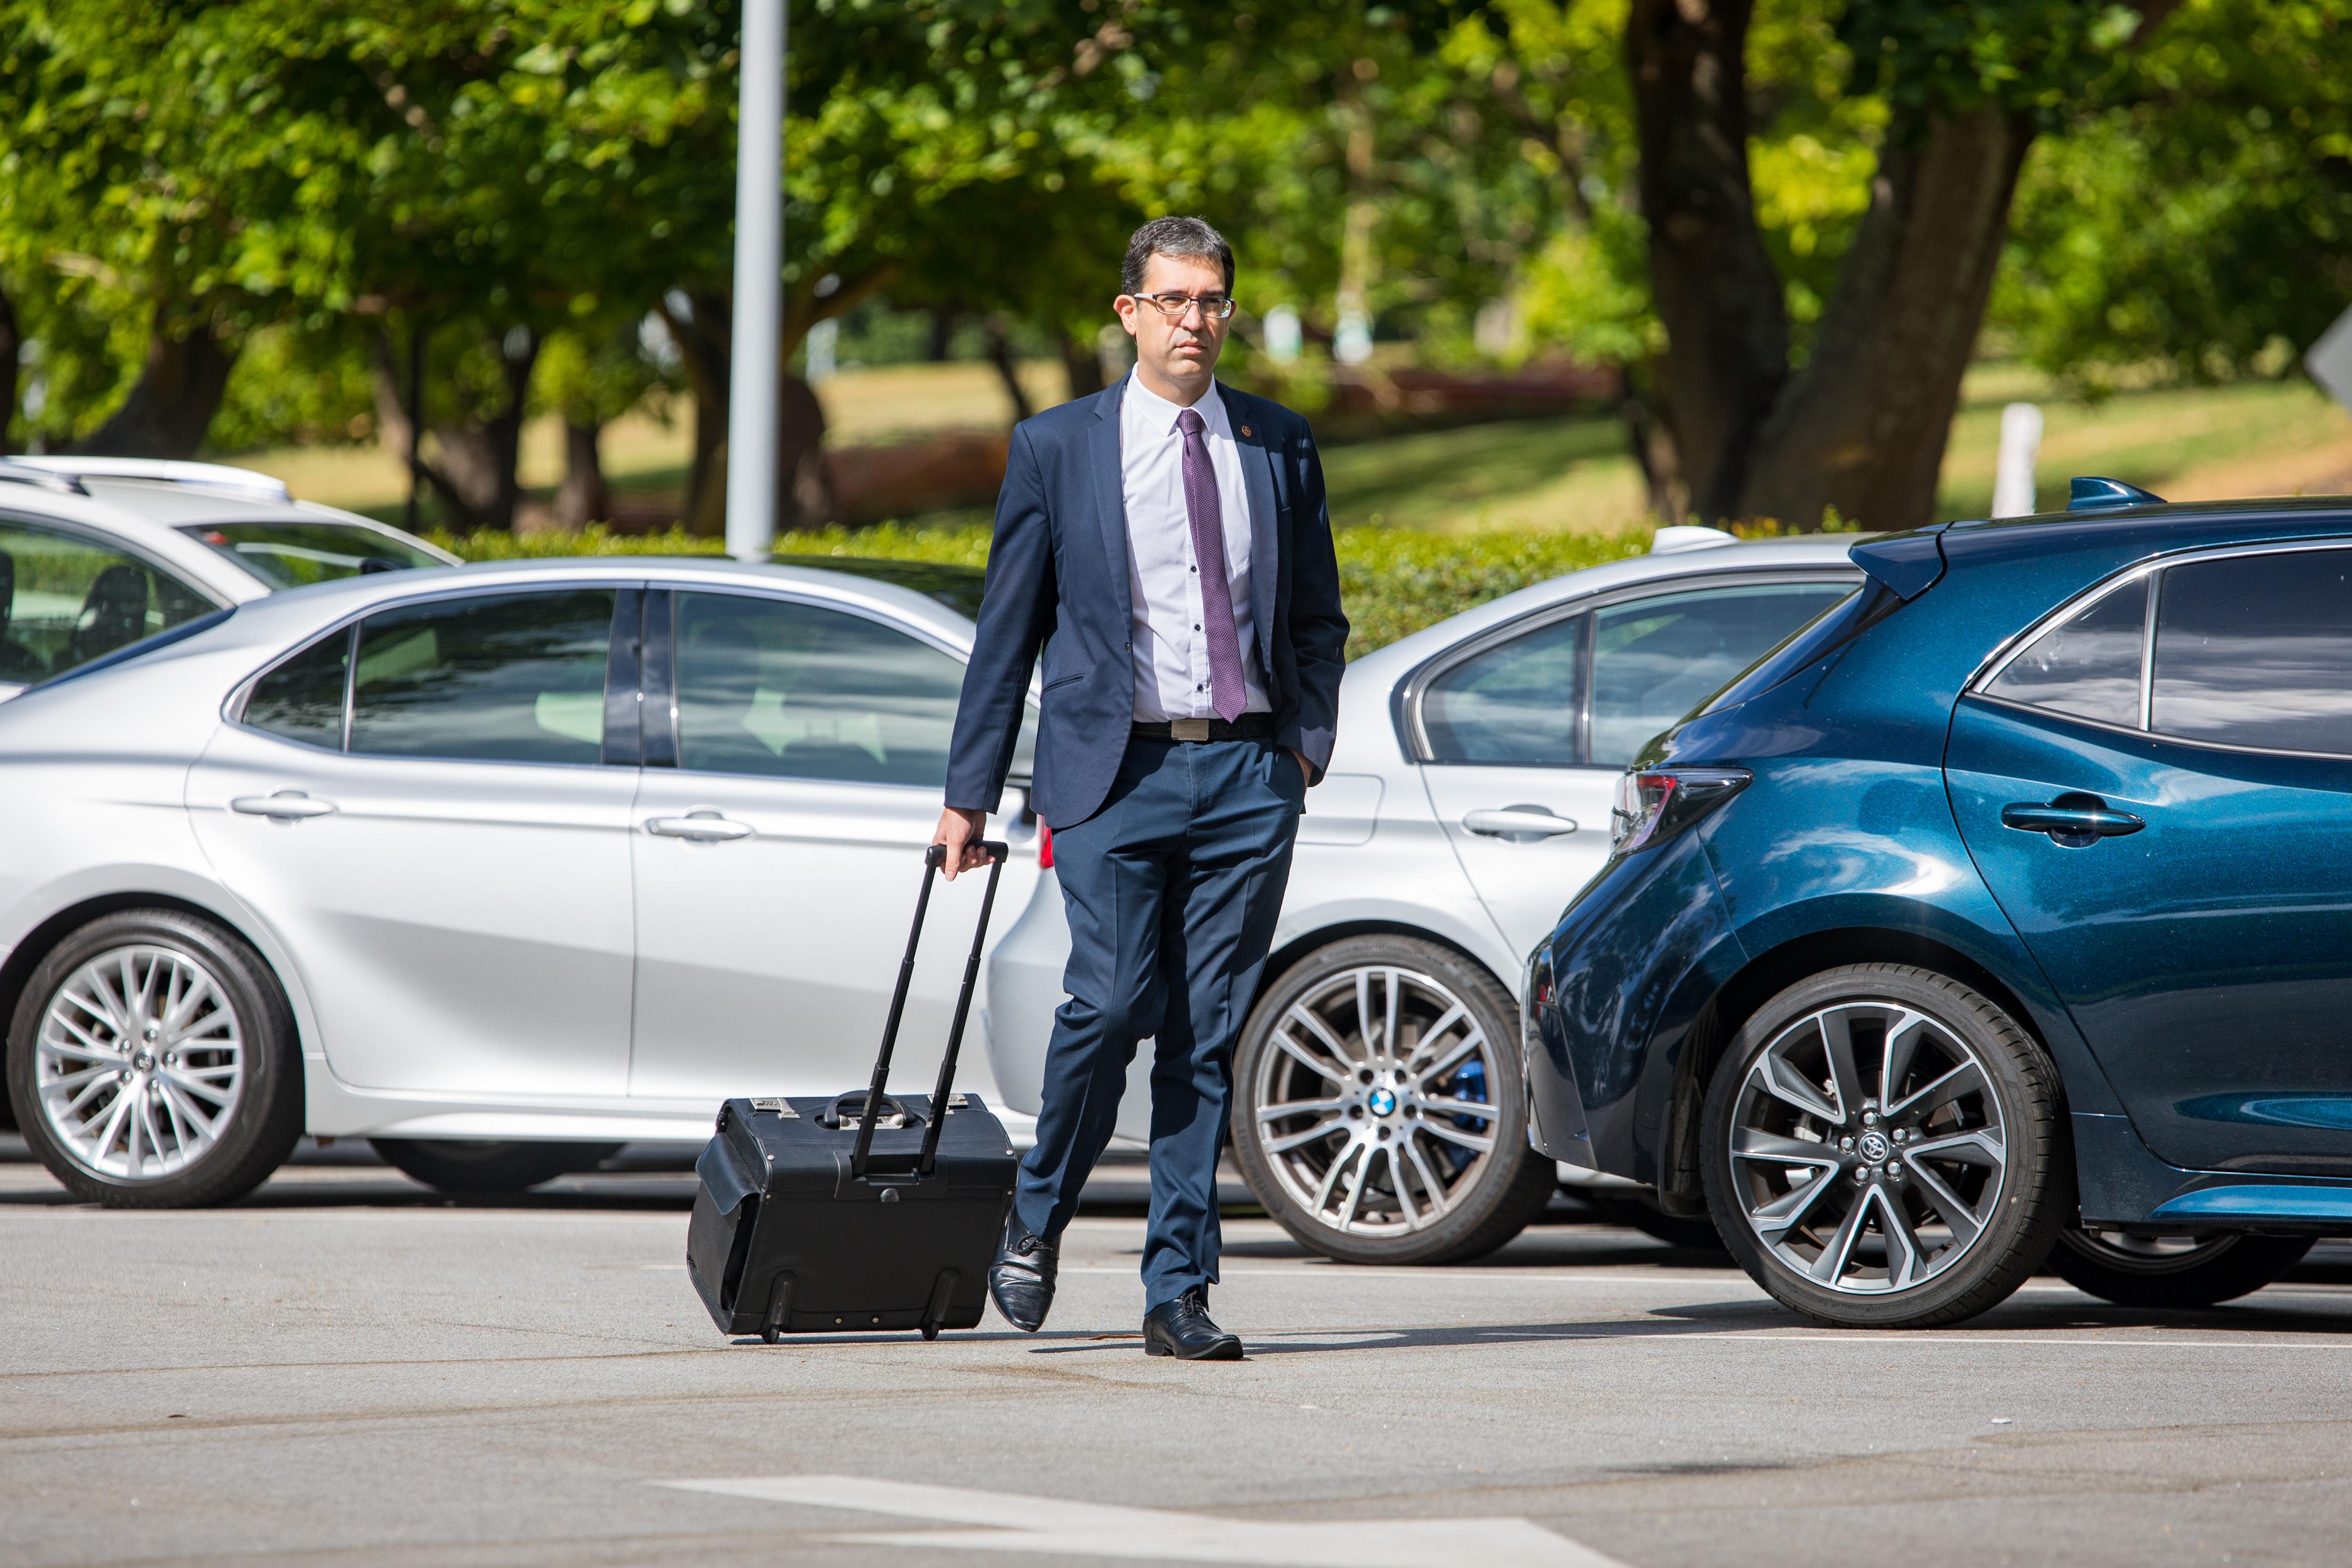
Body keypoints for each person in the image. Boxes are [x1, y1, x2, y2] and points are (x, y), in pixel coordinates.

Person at [935, 215, 1348, 1360]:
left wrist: (1300, 747)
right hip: (1112, 771)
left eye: (1212, 301)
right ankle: (1037, 1210)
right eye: (1173, 301)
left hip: (1248, 773)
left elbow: (1316, 615)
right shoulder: (1058, 446)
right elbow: (1005, 630)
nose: (1195, 323)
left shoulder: (1278, 442)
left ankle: (1179, 1291)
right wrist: (969, 792)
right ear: (1129, 313)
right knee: (1110, 1005)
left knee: (1205, 1036)